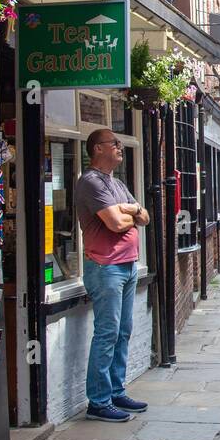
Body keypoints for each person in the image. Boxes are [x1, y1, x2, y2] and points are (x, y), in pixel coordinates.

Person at [76, 129, 151, 423]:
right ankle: (98, 401)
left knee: (123, 331)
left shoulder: (116, 184)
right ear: (97, 149)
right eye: (114, 144)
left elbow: (143, 217)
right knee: (107, 333)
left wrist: (130, 207)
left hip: (129, 265)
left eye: (120, 143)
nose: (120, 148)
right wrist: (129, 213)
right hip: (106, 267)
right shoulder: (90, 182)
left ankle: (116, 390)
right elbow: (117, 224)